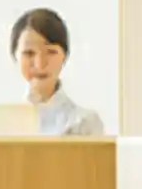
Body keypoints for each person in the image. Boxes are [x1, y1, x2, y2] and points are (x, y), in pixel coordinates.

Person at [10, 8, 105, 136]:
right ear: (15, 56)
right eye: (29, 53)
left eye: (51, 52)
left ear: (64, 56)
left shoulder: (84, 123)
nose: (40, 64)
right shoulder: (0, 124)